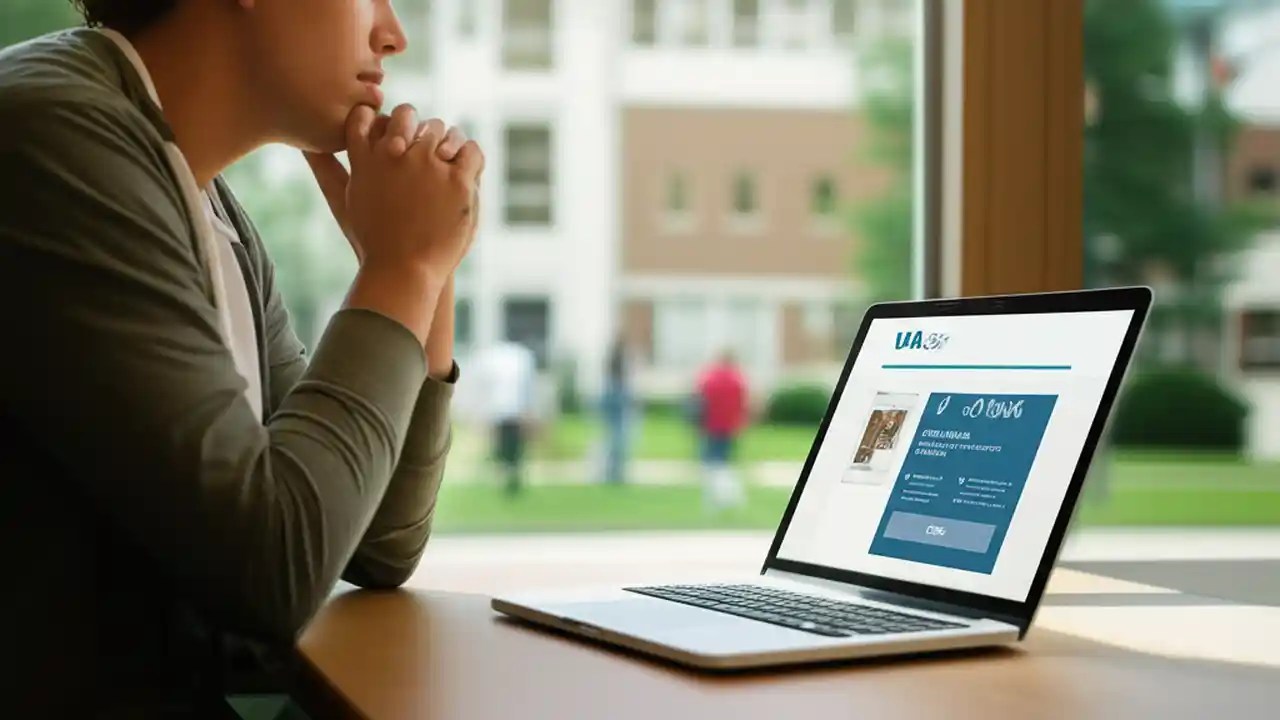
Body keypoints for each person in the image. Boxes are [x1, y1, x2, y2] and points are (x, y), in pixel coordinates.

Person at [0, 0, 484, 715]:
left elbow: (376, 541)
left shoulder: (201, 199)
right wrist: (400, 271)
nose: (392, 33)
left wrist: (423, 273)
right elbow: (274, 569)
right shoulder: (54, 134)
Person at [477, 338, 539, 496]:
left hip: (504, 409)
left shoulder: (497, 358)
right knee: (512, 446)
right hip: (512, 409)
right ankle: (510, 474)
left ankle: (509, 474)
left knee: (508, 445)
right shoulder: (523, 358)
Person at [694, 349, 750, 512]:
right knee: (725, 462)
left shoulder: (710, 379)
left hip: (711, 426)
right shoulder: (737, 381)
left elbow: (701, 403)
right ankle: (726, 495)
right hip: (730, 427)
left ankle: (717, 496)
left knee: (712, 463)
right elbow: (742, 406)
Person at [599, 335, 637, 485]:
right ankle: (614, 473)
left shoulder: (609, 383)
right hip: (617, 402)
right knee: (617, 439)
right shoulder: (617, 385)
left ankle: (613, 472)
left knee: (612, 438)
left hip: (613, 401)